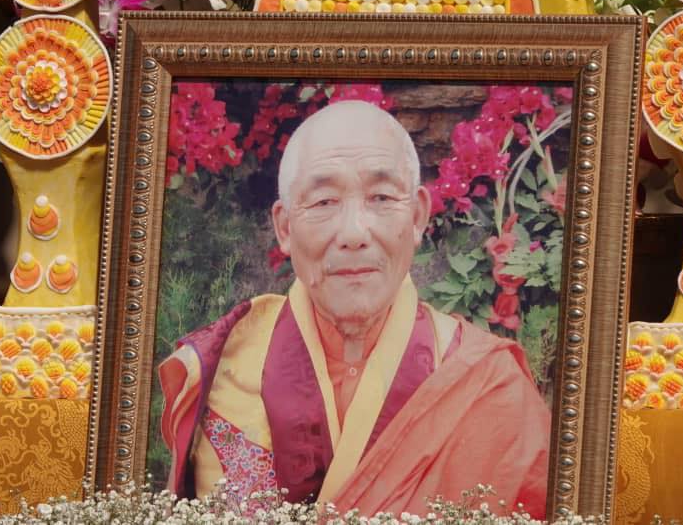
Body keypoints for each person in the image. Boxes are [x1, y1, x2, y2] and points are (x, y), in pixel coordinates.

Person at [158, 100, 551, 519]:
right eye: (324, 202)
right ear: (285, 227)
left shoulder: (490, 388)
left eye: (381, 197)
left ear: (418, 216)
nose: (353, 233)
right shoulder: (224, 367)